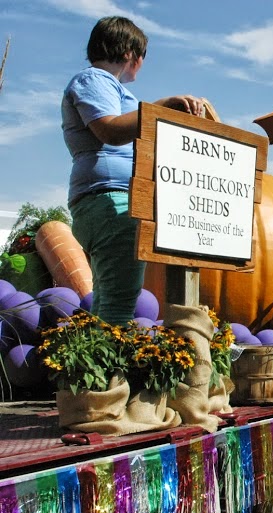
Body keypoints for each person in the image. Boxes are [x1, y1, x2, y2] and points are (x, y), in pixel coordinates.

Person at [62, 16, 204, 325]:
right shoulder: (94, 80)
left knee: (108, 298)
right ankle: (112, 372)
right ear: (131, 54)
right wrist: (159, 110)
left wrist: (158, 109)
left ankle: (93, 367)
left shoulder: (109, 88)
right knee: (119, 305)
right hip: (110, 200)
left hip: (109, 200)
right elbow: (110, 130)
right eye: (142, 58)